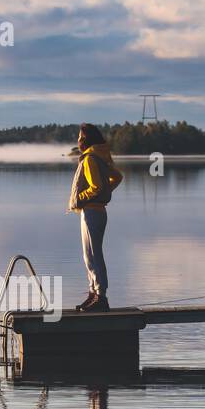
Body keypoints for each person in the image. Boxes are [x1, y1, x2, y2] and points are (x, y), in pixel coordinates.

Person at [67, 123, 123, 311]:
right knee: (89, 255)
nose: (78, 140)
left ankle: (101, 297)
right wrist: (105, 192)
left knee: (94, 255)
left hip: (92, 211)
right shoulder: (100, 157)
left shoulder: (90, 159)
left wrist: (80, 198)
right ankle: (93, 294)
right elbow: (117, 177)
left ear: (86, 140)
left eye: (80, 137)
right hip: (94, 211)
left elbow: (96, 186)